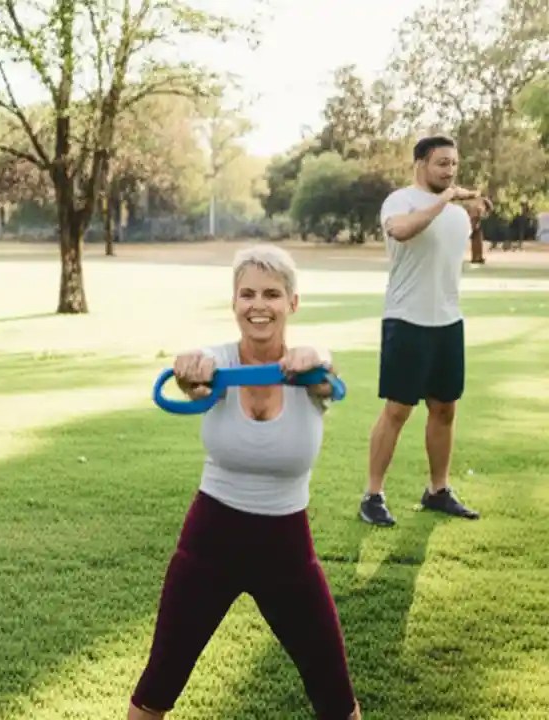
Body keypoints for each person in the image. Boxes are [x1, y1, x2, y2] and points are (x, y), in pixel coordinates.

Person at [128, 245, 360, 720]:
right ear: (233, 302)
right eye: (247, 294)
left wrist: (323, 357)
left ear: (292, 304)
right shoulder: (217, 363)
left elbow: (328, 373)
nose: (259, 305)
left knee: (334, 694)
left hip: (287, 547)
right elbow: (190, 371)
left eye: (272, 294)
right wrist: (187, 370)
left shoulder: (309, 369)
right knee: (158, 684)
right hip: (210, 540)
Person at [360, 135, 482, 528]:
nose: (450, 171)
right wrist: (445, 200)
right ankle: (373, 495)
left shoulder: (460, 217)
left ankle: (438, 490)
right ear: (420, 164)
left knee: (445, 409)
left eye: (454, 165)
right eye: (442, 163)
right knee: (397, 409)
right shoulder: (400, 201)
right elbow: (401, 231)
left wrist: (472, 213)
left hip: (448, 322)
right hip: (406, 320)